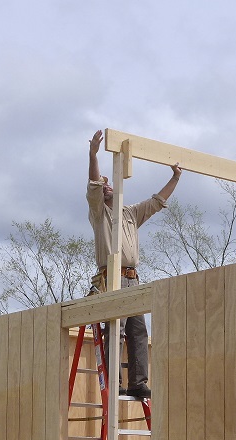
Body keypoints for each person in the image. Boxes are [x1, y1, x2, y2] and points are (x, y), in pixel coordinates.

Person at [87, 129, 181, 399]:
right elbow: (94, 183)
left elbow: (157, 202)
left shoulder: (129, 213)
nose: (106, 186)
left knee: (138, 331)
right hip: (111, 277)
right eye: (103, 186)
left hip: (132, 278)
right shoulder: (99, 212)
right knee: (115, 331)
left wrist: (174, 177)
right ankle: (115, 382)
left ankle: (138, 382)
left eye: (109, 184)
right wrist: (93, 155)